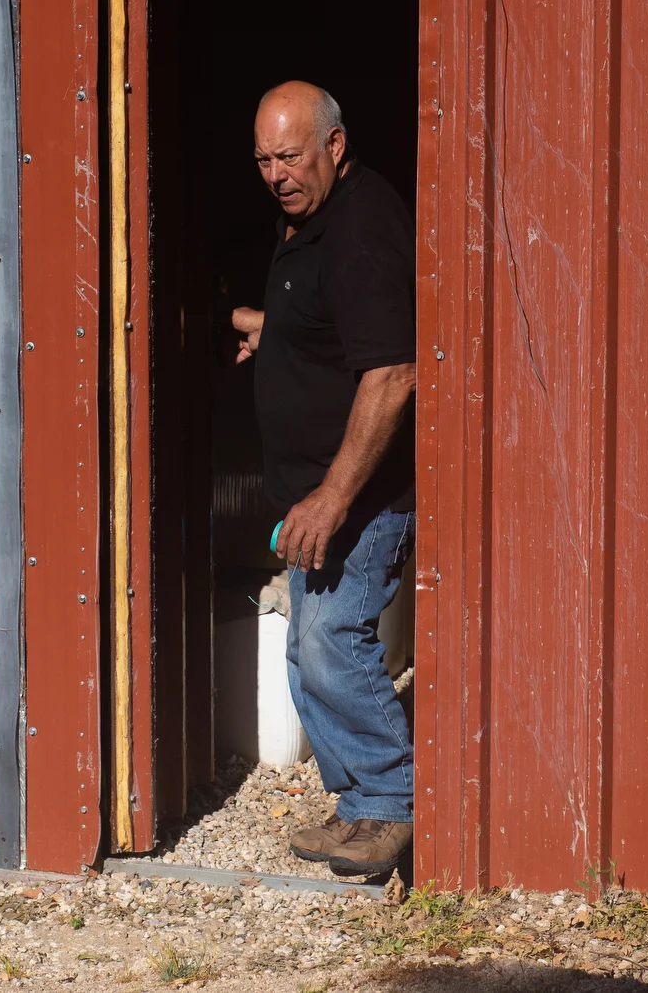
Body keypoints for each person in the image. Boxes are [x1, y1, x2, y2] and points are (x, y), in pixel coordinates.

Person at [230, 80, 417, 878]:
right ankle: (358, 806)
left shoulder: (360, 229)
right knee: (306, 655)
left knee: (330, 640)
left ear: (335, 147)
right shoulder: (309, 220)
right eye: (264, 159)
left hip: (360, 497)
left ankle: (391, 803)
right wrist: (278, 342)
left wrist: (335, 496)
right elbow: (337, 329)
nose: (276, 174)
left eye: (292, 156)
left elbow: (393, 369)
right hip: (314, 495)